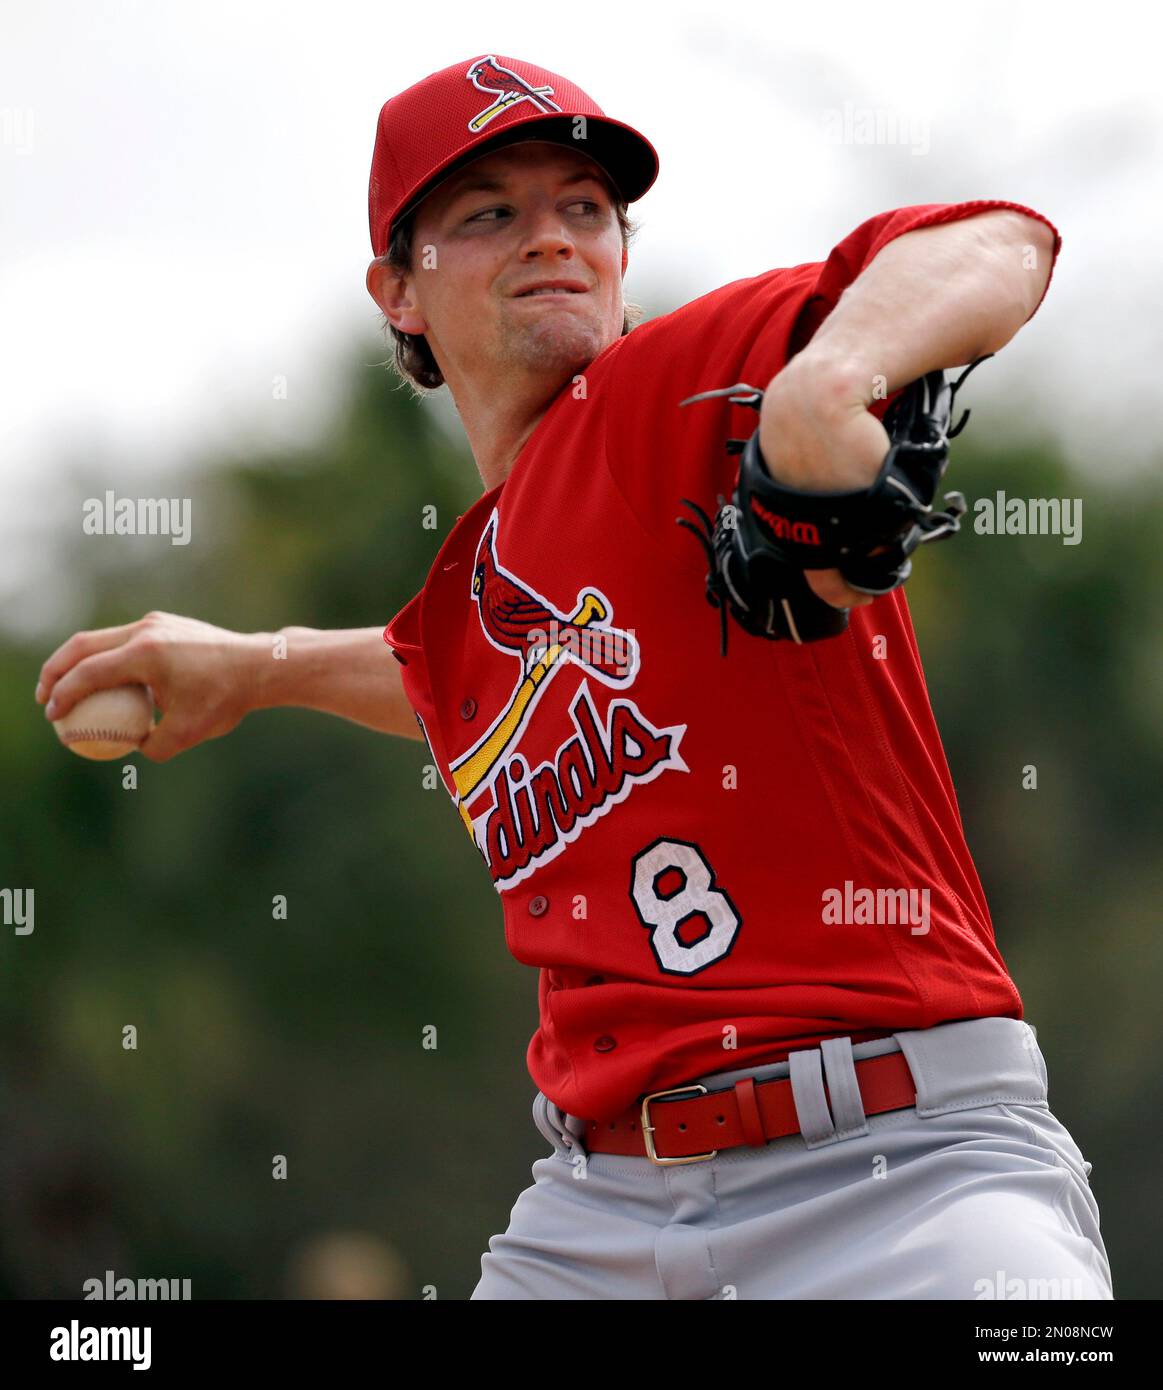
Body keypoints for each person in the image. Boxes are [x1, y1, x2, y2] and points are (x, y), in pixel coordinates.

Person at [37, 54, 1112, 1301]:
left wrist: (829, 373)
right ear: (397, 289)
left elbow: (1000, 240)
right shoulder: (477, 593)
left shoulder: (674, 392)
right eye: (489, 211)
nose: (550, 236)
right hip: (599, 1213)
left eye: (583, 207)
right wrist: (249, 667)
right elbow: (434, 675)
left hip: (902, 1178)